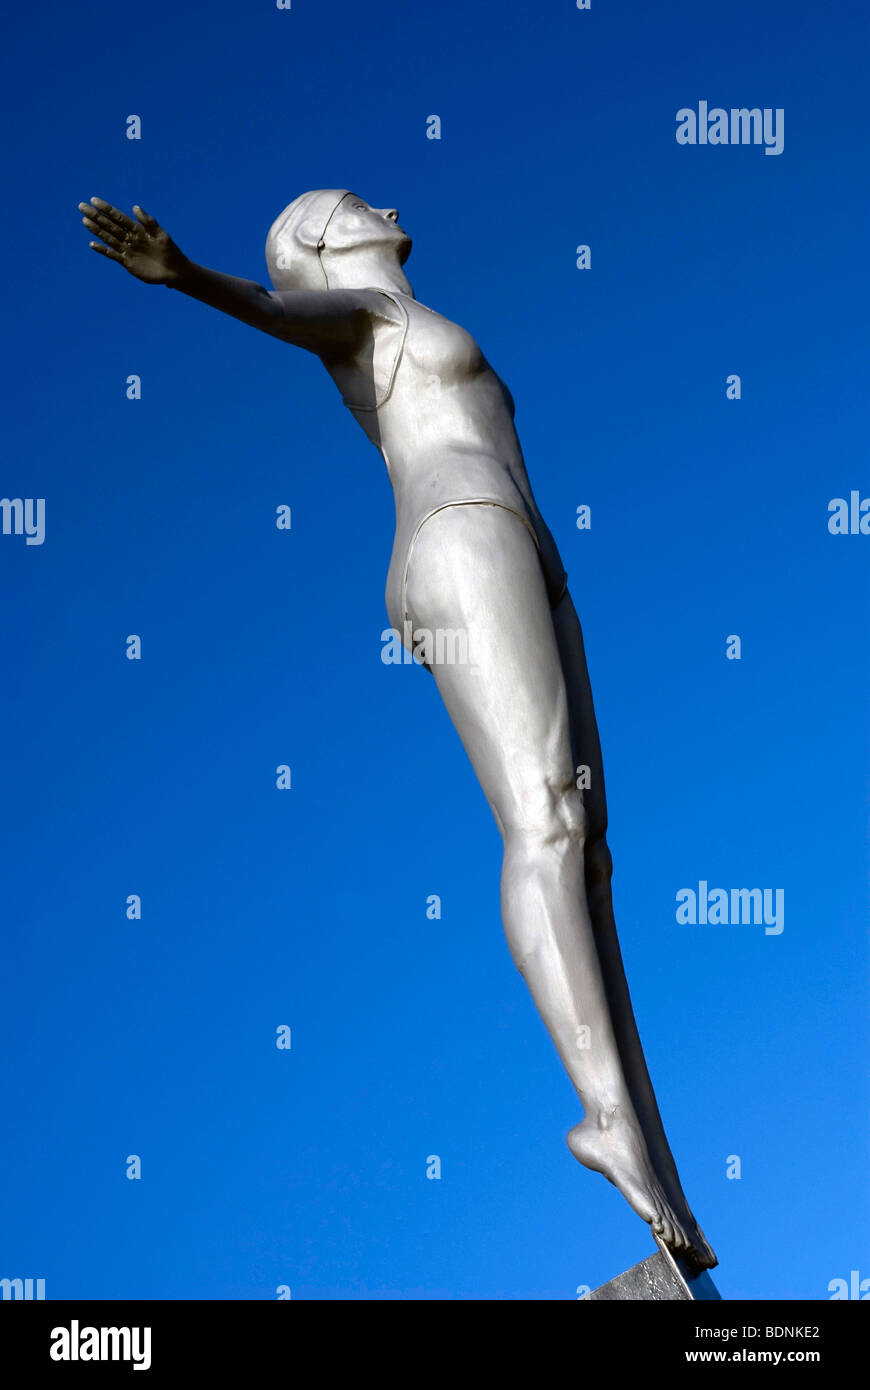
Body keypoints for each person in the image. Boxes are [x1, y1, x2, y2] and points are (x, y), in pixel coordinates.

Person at [79, 189, 716, 1267]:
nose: (386, 202)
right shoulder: (364, 313)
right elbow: (285, 316)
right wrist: (184, 274)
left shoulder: (396, 317)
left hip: (526, 543)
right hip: (459, 532)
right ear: (327, 244)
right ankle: (606, 1121)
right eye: (355, 200)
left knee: (590, 851)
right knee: (545, 827)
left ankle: (651, 1149)